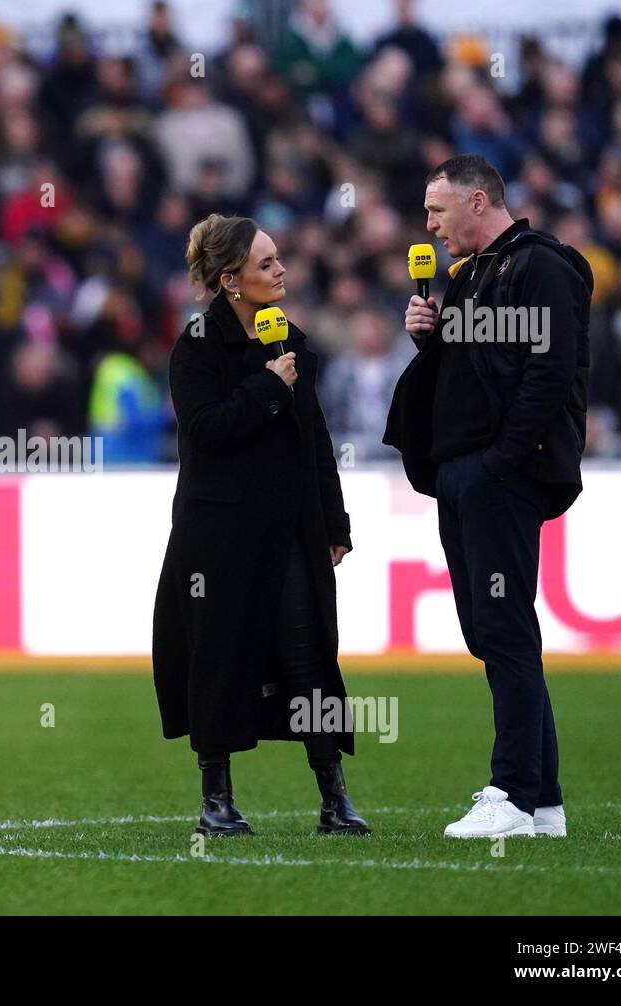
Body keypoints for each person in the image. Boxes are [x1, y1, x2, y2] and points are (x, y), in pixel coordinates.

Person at [384, 155, 592, 838]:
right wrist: (432, 338)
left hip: (497, 471)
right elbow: (479, 375)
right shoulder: (471, 277)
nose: (429, 225)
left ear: (478, 201)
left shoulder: (539, 265)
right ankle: (544, 802)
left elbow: (550, 369)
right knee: (495, 632)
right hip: (466, 470)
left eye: (436, 210)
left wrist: (505, 458)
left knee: (502, 627)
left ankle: (509, 793)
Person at [152, 213, 370, 837]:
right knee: (217, 657)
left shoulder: (293, 341)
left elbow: (316, 440)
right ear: (230, 280)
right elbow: (204, 432)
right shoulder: (196, 345)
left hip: (291, 529)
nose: (282, 271)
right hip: (218, 535)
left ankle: (334, 798)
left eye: (279, 259)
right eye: (268, 263)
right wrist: (268, 387)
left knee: (310, 659)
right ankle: (216, 801)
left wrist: (334, 521)